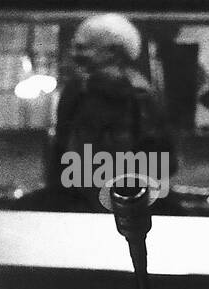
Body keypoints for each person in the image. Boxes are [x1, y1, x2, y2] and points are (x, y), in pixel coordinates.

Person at [24, 12, 177, 213]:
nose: (75, 54)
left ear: (113, 52)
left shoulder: (140, 95)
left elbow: (161, 160)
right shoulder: (77, 91)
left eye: (83, 48)